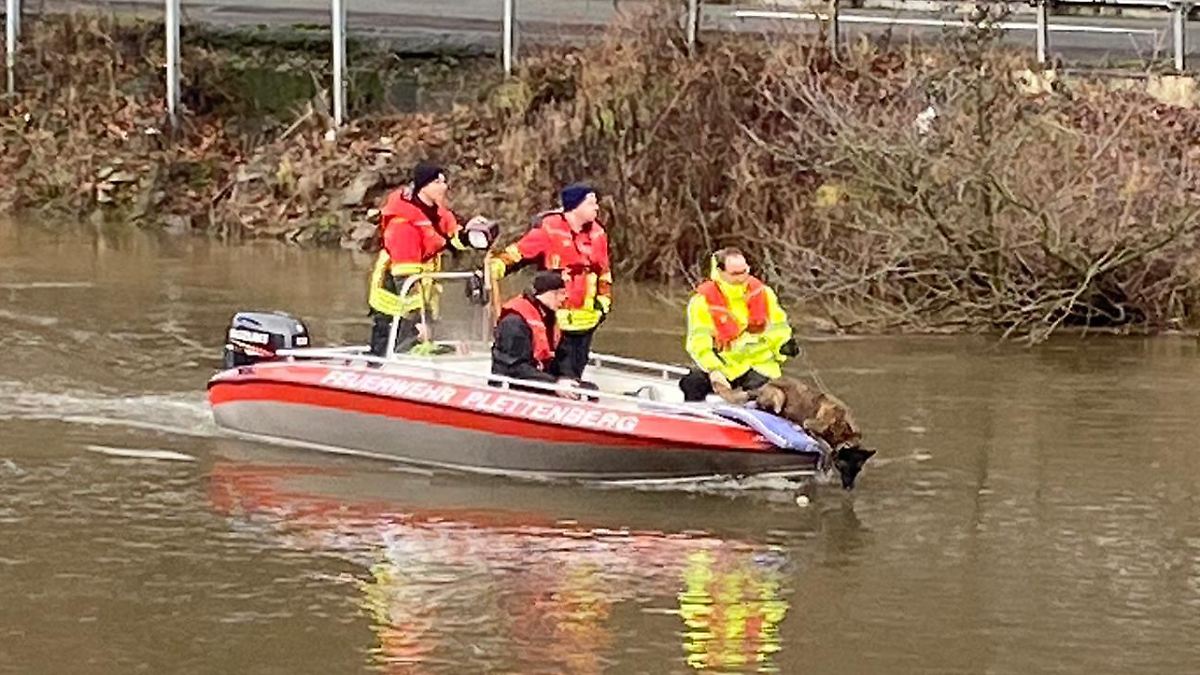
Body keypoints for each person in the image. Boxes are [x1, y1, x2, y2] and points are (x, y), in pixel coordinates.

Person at [367, 162, 496, 356]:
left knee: (424, 348)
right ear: (424, 186)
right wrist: (419, 321)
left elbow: (451, 240)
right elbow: (405, 280)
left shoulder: (437, 214)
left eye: (444, 181)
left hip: (420, 301)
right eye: (438, 182)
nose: (444, 186)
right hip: (395, 305)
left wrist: (469, 234)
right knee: (402, 353)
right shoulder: (403, 224)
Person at [487, 183, 612, 380]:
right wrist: (493, 268)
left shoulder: (598, 234)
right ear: (575, 206)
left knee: (575, 373)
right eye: (591, 203)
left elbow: (604, 272)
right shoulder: (549, 231)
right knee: (558, 372)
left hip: (588, 318)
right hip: (557, 319)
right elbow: (517, 254)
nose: (596, 208)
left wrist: (603, 304)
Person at [679, 247, 798, 402]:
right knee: (692, 383)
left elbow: (778, 328)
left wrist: (784, 346)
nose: (742, 277)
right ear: (720, 272)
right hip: (724, 366)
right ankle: (694, 417)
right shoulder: (702, 302)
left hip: (760, 365)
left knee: (763, 392)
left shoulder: (764, 294)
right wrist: (714, 370)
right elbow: (698, 342)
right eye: (735, 274)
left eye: (745, 271)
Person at [491, 271, 581, 398]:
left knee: (588, 390)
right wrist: (554, 384)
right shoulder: (514, 321)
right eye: (562, 293)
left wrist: (567, 379)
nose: (564, 299)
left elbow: (562, 356)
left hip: (541, 381)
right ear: (549, 293)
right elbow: (514, 367)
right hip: (515, 387)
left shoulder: (549, 320)